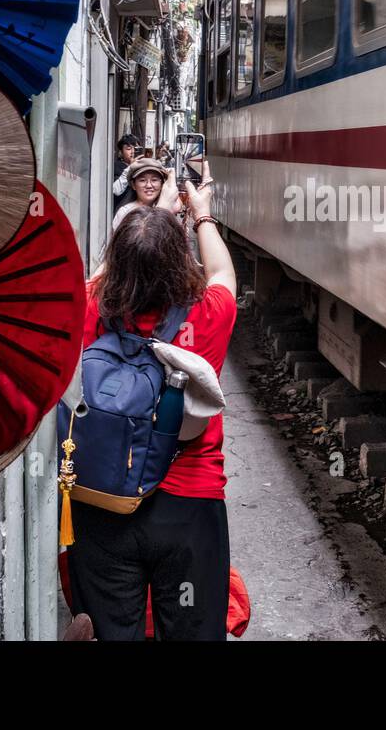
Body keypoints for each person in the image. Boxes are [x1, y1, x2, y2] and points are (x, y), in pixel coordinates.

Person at [67, 164, 235, 641]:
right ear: (181, 263)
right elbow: (223, 271)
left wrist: (132, 243)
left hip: (103, 501)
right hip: (190, 503)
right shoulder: (209, 311)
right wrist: (200, 215)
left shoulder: (88, 307)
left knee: (109, 632)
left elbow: (98, 281)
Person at [111, 156, 179, 231]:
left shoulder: (168, 208)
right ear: (133, 185)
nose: (149, 185)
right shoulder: (124, 213)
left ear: (162, 184)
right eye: (142, 180)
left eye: (154, 180)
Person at [112, 134, 142, 210]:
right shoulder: (116, 167)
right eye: (129, 149)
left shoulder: (141, 166)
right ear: (121, 152)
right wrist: (130, 168)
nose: (133, 152)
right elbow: (116, 190)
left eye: (135, 148)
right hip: (123, 209)